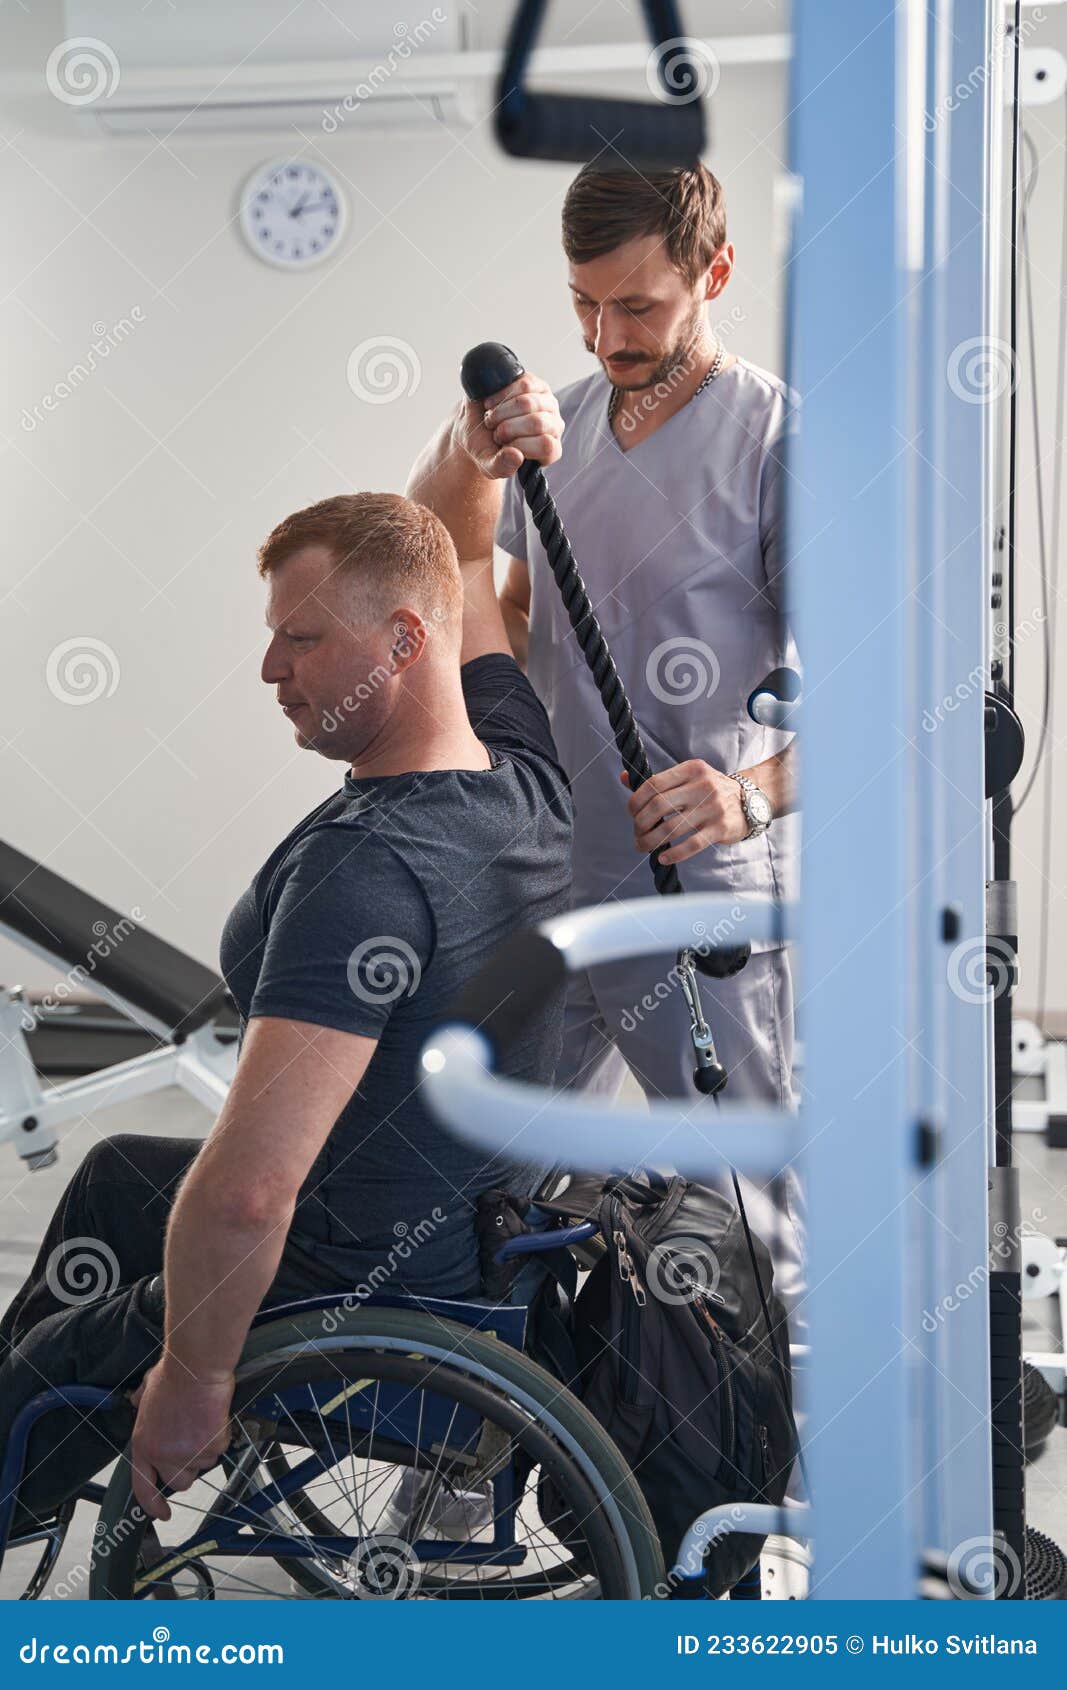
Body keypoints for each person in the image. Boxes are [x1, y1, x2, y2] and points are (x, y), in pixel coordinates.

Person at [0, 491, 572, 1527]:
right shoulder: (521, 771)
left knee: (46, 1368)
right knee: (115, 1174)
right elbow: (455, 538)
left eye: (300, 640)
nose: (270, 671)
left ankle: (22, 1438)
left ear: (404, 639)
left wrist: (191, 1375)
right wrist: (476, 436)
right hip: (475, 1238)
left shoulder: (362, 872)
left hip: (361, 1278)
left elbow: (250, 1197)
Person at [414, 161, 804, 1304]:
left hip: (698, 882)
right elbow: (501, 604)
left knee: (744, 1224)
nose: (603, 334)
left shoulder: (776, 439)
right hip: (543, 872)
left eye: (636, 305)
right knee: (497, 1190)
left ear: (713, 273)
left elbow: (874, 692)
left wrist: (751, 794)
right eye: (583, 303)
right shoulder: (556, 430)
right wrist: (470, 456)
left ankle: (753, 1458)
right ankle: (467, 1457)